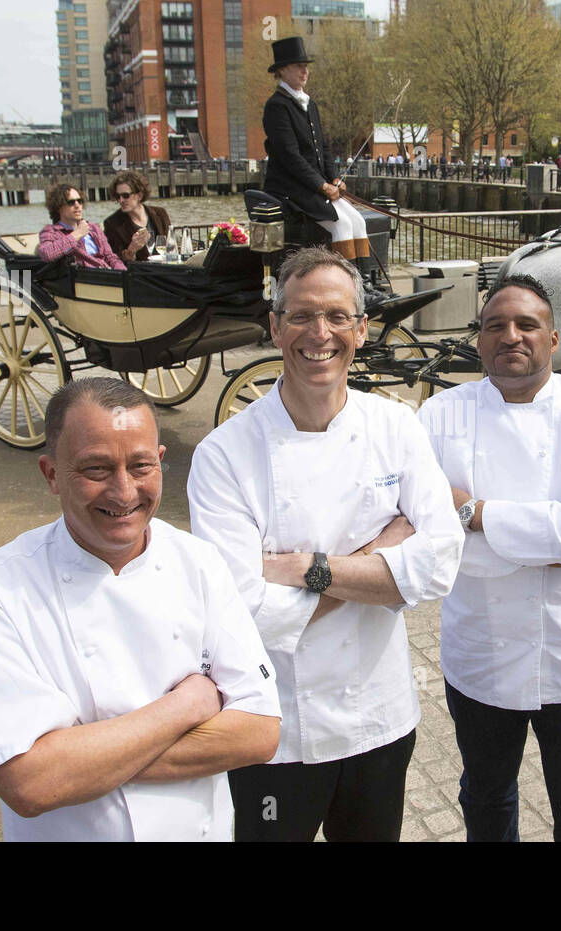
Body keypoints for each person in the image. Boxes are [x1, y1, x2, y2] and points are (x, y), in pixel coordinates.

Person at [187, 246, 463, 842]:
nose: (321, 334)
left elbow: (440, 563)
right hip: (275, 730)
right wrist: (383, 557)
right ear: (274, 326)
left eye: (338, 317)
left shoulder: (396, 427)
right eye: (302, 316)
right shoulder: (224, 457)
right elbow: (243, 617)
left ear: (362, 329)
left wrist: (306, 569)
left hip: (379, 720)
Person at [0, 378, 282, 841]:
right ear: (50, 475)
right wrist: (186, 705)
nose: (124, 493)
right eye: (96, 469)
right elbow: (30, 783)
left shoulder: (199, 563)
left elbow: (260, 733)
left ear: (160, 463)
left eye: (140, 466)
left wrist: (79, 763)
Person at [417, 274, 561, 842]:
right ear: (478, 340)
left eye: (526, 325)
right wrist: (550, 538)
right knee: (486, 799)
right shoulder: (441, 416)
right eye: (494, 325)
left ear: (554, 339)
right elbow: (419, 527)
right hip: (481, 655)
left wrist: (473, 514)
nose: (510, 336)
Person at [261, 37, 374, 284]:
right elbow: (290, 157)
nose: (304, 71)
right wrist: (322, 186)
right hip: (291, 189)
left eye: (306, 66)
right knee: (341, 224)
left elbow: (323, 147)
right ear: (282, 71)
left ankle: (364, 284)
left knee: (357, 220)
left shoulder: (310, 103)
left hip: (316, 185)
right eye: (298, 66)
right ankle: (346, 288)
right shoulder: (277, 106)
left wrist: (334, 177)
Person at [37, 182, 125, 270]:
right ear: (58, 206)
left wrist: (124, 274)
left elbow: (110, 257)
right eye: (71, 202)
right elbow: (46, 254)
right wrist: (77, 234)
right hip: (81, 278)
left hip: (107, 275)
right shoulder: (51, 231)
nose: (77, 205)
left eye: (79, 201)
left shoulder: (93, 228)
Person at [104, 170, 171, 264]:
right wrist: (131, 251)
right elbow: (113, 260)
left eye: (125, 195)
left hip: (166, 268)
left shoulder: (160, 214)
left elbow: (170, 245)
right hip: (138, 274)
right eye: (117, 196)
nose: (121, 200)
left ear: (139, 195)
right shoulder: (112, 223)